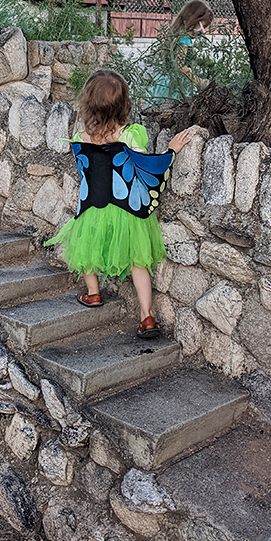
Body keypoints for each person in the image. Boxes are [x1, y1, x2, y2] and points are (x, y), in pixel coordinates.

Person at [45, 70, 190, 339]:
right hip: (128, 212)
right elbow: (148, 167)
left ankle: (93, 294)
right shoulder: (132, 135)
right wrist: (171, 151)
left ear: (88, 105)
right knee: (138, 262)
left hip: (94, 209)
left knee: (85, 250)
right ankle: (147, 317)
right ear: (125, 105)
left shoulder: (80, 139)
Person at [148, 0, 214, 103]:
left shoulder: (174, 36)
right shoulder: (184, 40)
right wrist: (199, 82)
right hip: (177, 87)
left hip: (164, 83)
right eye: (203, 26)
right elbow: (181, 67)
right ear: (194, 21)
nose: (203, 31)